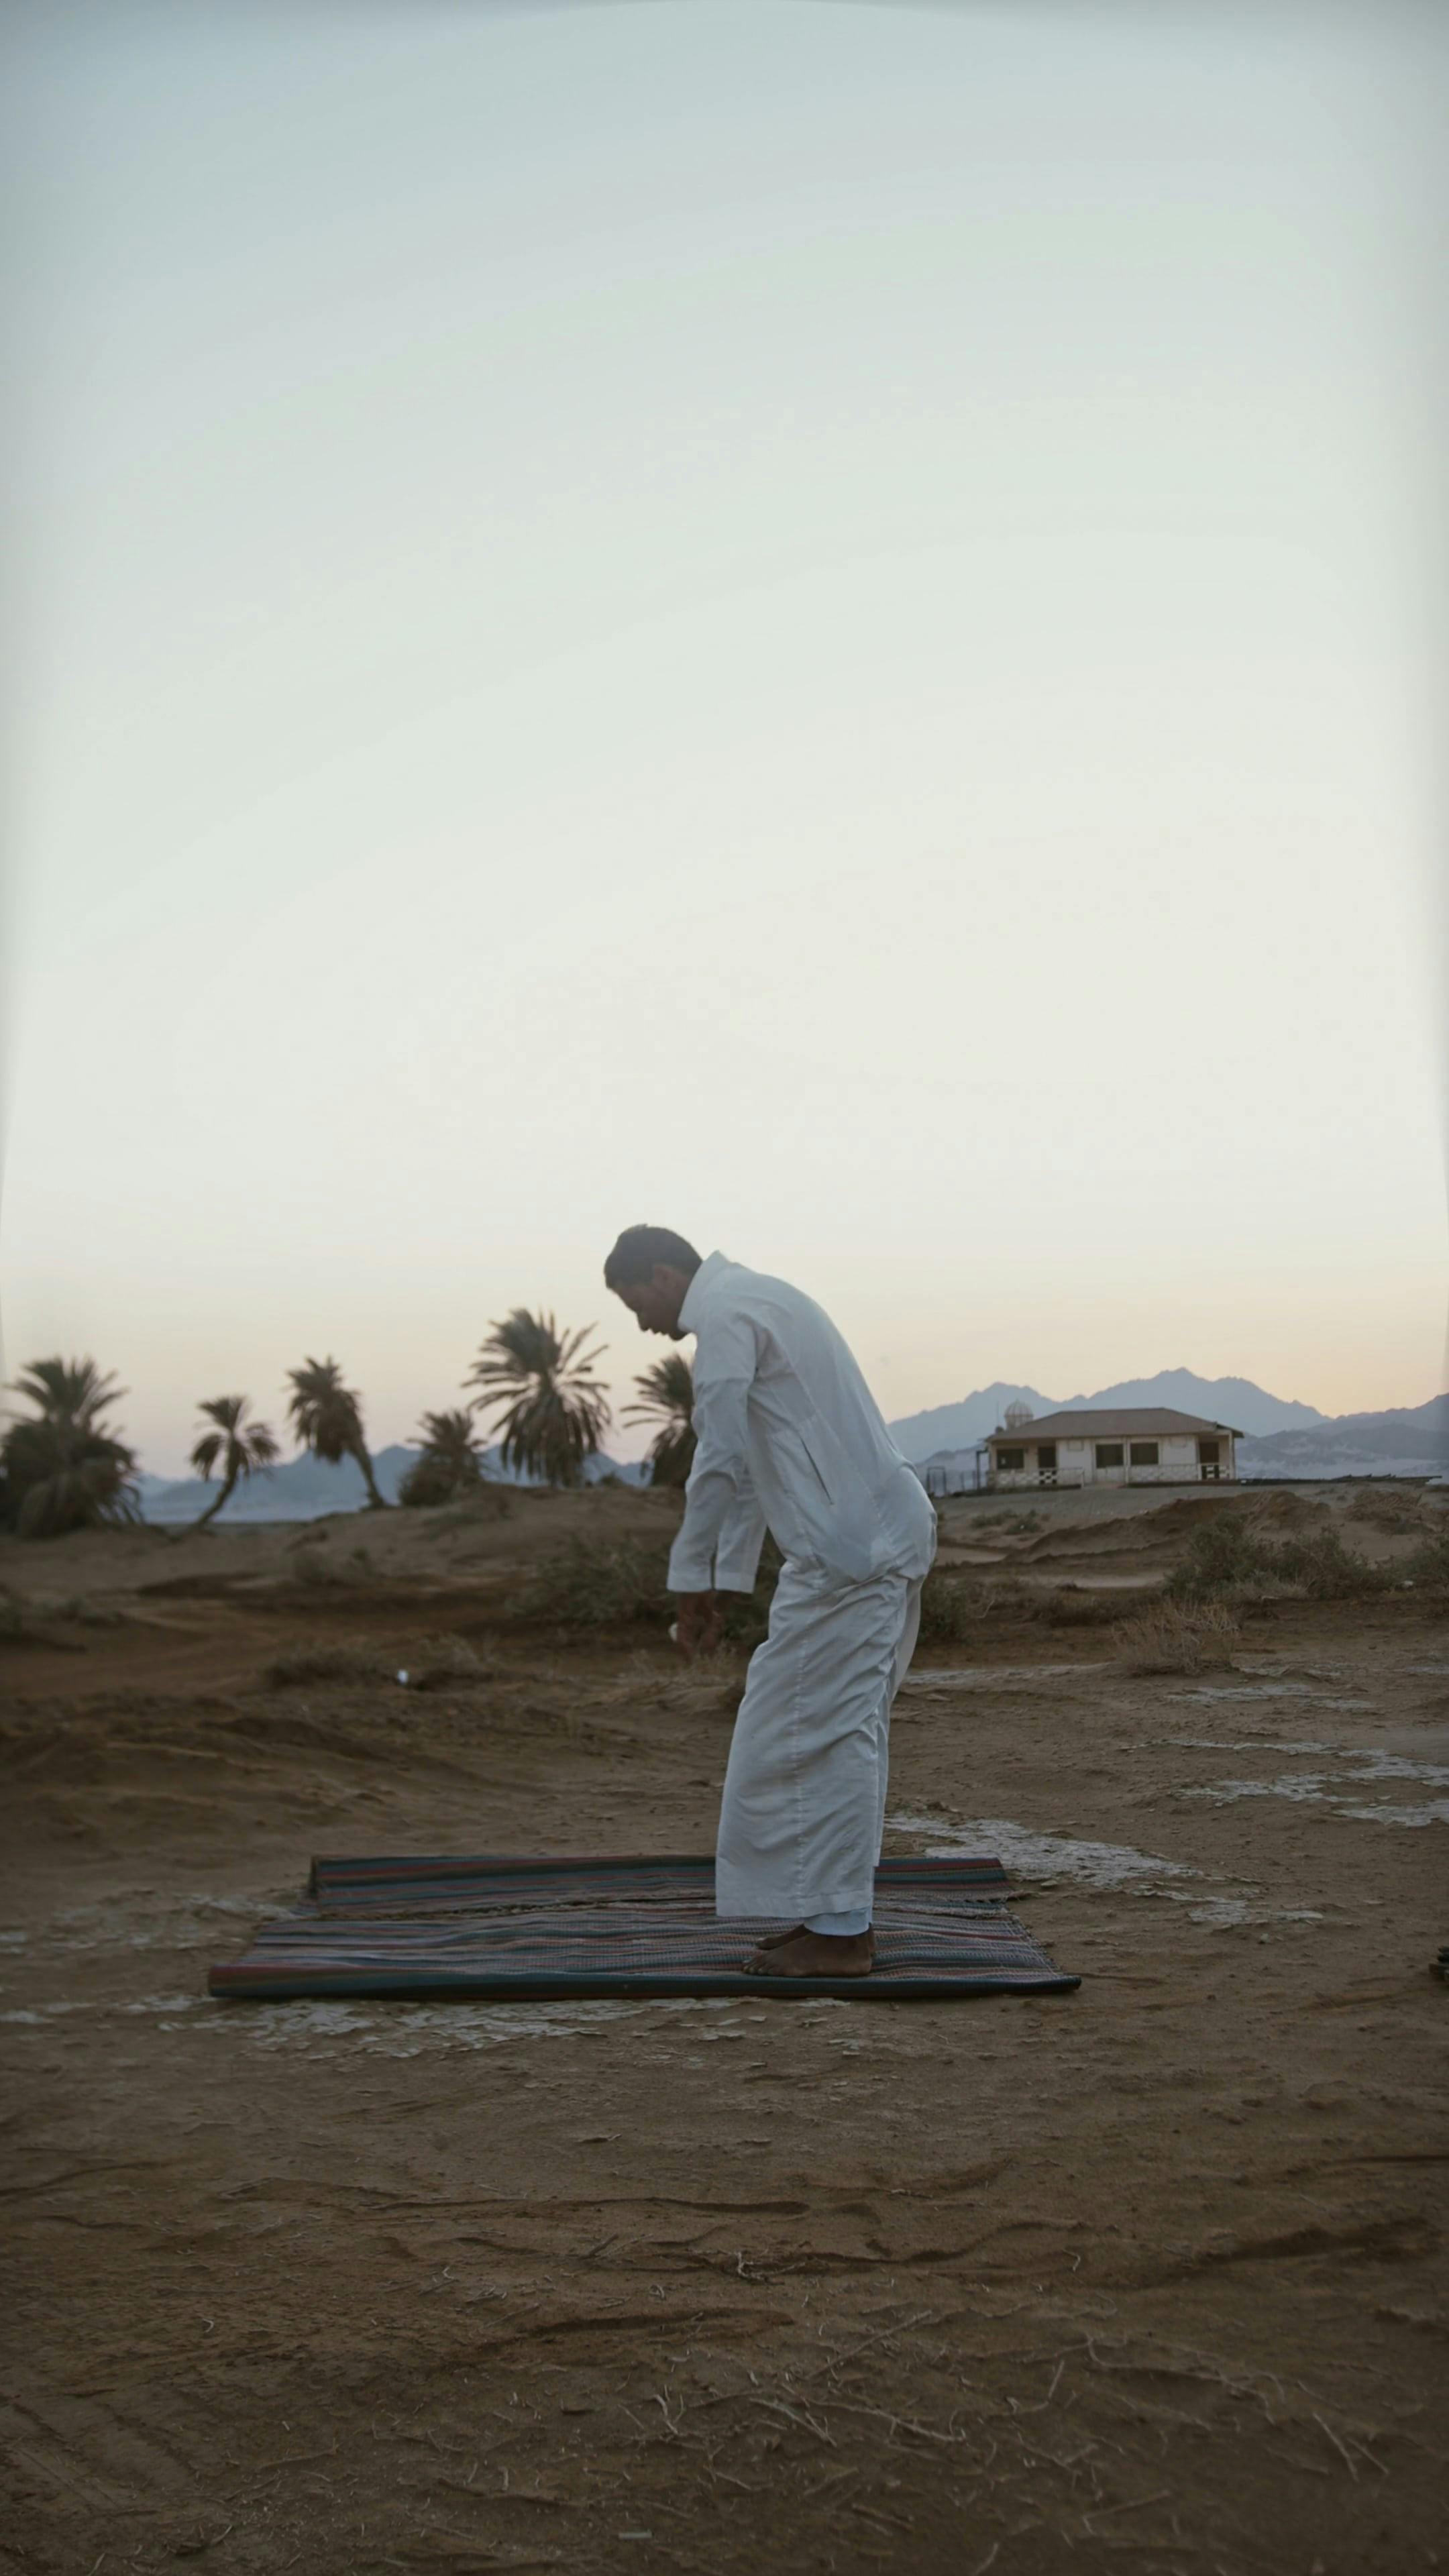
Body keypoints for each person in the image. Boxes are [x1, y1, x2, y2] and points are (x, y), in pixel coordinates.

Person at [604, 1226, 936, 1978]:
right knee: (794, 1730)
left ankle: (845, 1931)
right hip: (852, 1545)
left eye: (637, 1304)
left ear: (661, 1273)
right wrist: (724, 1586)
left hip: (854, 1553)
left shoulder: (726, 1316)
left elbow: (717, 1457)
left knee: (830, 1731)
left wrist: (690, 1586)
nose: (644, 1326)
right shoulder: (755, 1300)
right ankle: (827, 1914)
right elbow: (755, 1472)